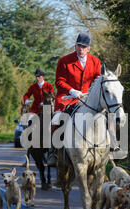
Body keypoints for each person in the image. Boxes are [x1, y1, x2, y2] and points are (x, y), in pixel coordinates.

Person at [47, 33, 102, 167]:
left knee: (105, 116)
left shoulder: (95, 62)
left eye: (84, 47)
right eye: (79, 46)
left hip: (87, 98)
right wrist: (73, 91)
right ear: (75, 46)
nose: (81, 49)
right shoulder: (64, 61)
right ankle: (53, 152)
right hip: (67, 98)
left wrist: (89, 93)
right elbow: (59, 82)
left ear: (89, 48)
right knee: (56, 119)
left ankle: (110, 147)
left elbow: (98, 80)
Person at [21, 68, 54, 167]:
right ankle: (28, 149)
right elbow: (26, 95)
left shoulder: (49, 86)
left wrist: (45, 102)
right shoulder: (33, 86)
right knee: (29, 126)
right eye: (36, 76)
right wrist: (26, 100)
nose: (37, 78)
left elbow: (51, 96)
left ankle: (53, 152)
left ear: (43, 77)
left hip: (46, 110)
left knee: (52, 127)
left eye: (39, 76)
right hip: (35, 110)